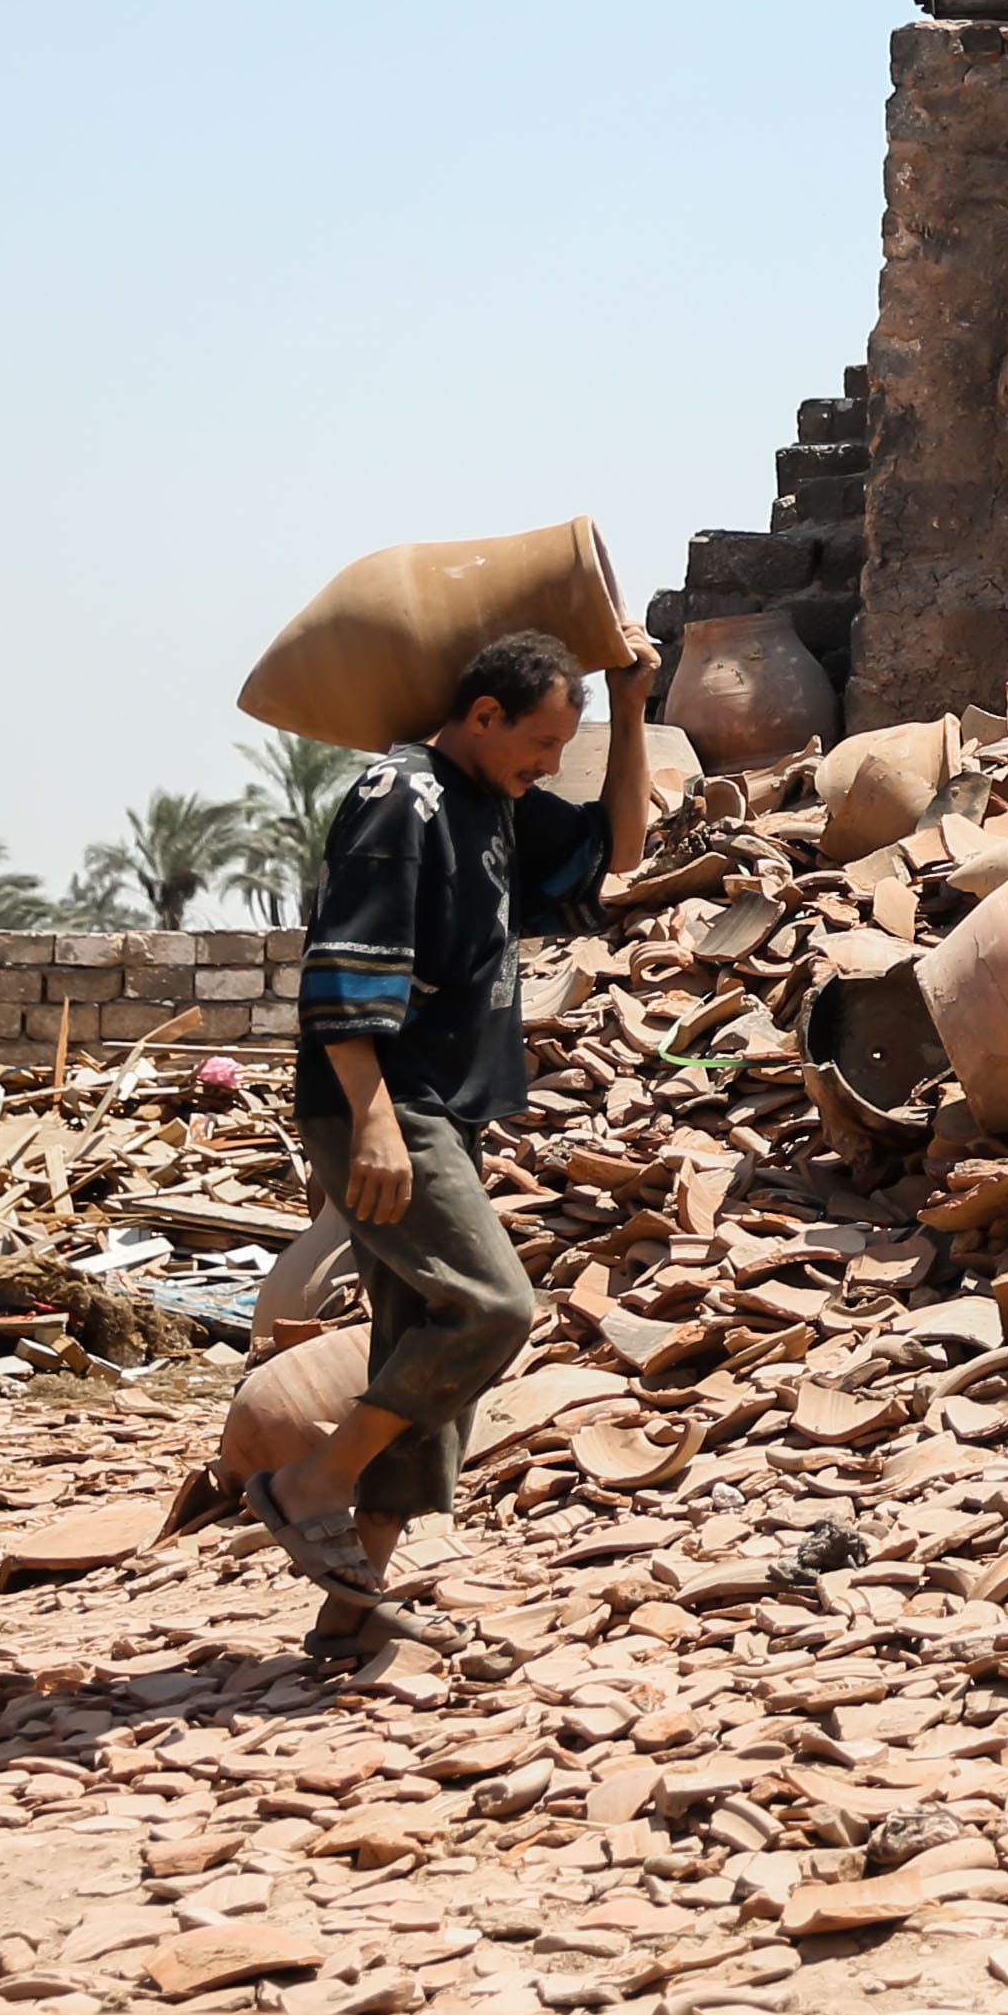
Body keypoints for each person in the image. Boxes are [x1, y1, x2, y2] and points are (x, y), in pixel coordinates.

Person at [253, 622, 650, 1661]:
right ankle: (313, 1481)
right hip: (384, 1105)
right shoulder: (404, 798)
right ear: (483, 715)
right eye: (542, 745)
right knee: (488, 1308)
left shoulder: (493, 808)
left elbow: (623, 849)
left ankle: (348, 1615)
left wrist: (634, 701)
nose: (550, 769)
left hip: (443, 1109)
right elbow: (345, 968)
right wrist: (376, 1120)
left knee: (415, 1340)